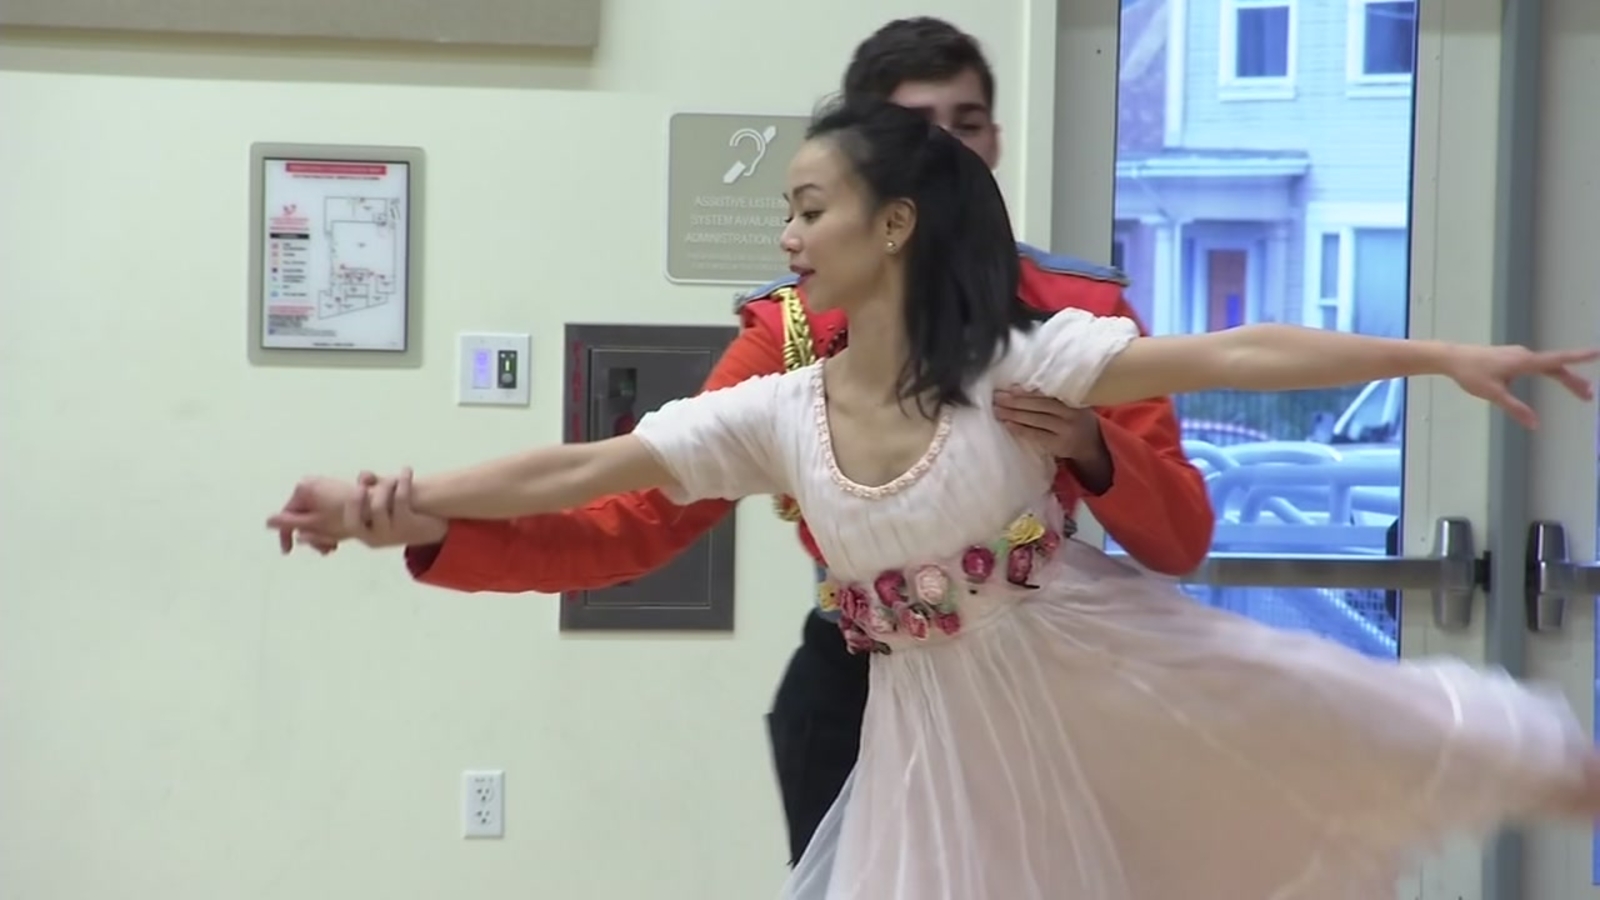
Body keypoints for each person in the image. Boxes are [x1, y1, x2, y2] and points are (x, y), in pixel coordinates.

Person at [268, 97, 1600, 898]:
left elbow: (1239, 352)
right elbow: (588, 467)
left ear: (894, 224)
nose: (786, 239)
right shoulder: (777, 407)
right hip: (929, 750)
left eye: (808, 208)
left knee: (1425, 744)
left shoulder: (1029, 360)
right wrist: (399, 496)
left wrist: (1442, 357)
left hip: (1103, 685)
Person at [271, 17, 1215, 866]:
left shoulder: (1078, 318)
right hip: (864, 687)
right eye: (908, 135)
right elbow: (627, 515)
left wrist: (1094, 449)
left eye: (963, 127)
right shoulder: (792, 340)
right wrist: (429, 524)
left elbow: (1178, 538)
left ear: (994, 141)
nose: (942, 157)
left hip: (1040, 684)